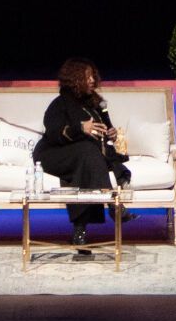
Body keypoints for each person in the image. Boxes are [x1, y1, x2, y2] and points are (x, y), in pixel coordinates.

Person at [33, 57, 135, 247]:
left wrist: (110, 134)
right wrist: (80, 128)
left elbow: (105, 130)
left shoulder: (95, 104)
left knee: (86, 160)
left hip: (83, 156)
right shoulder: (60, 104)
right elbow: (54, 134)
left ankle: (80, 233)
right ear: (75, 79)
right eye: (87, 77)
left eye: (93, 76)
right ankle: (114, 205)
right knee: (87, 151)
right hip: (52, 154)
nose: (92, 81)